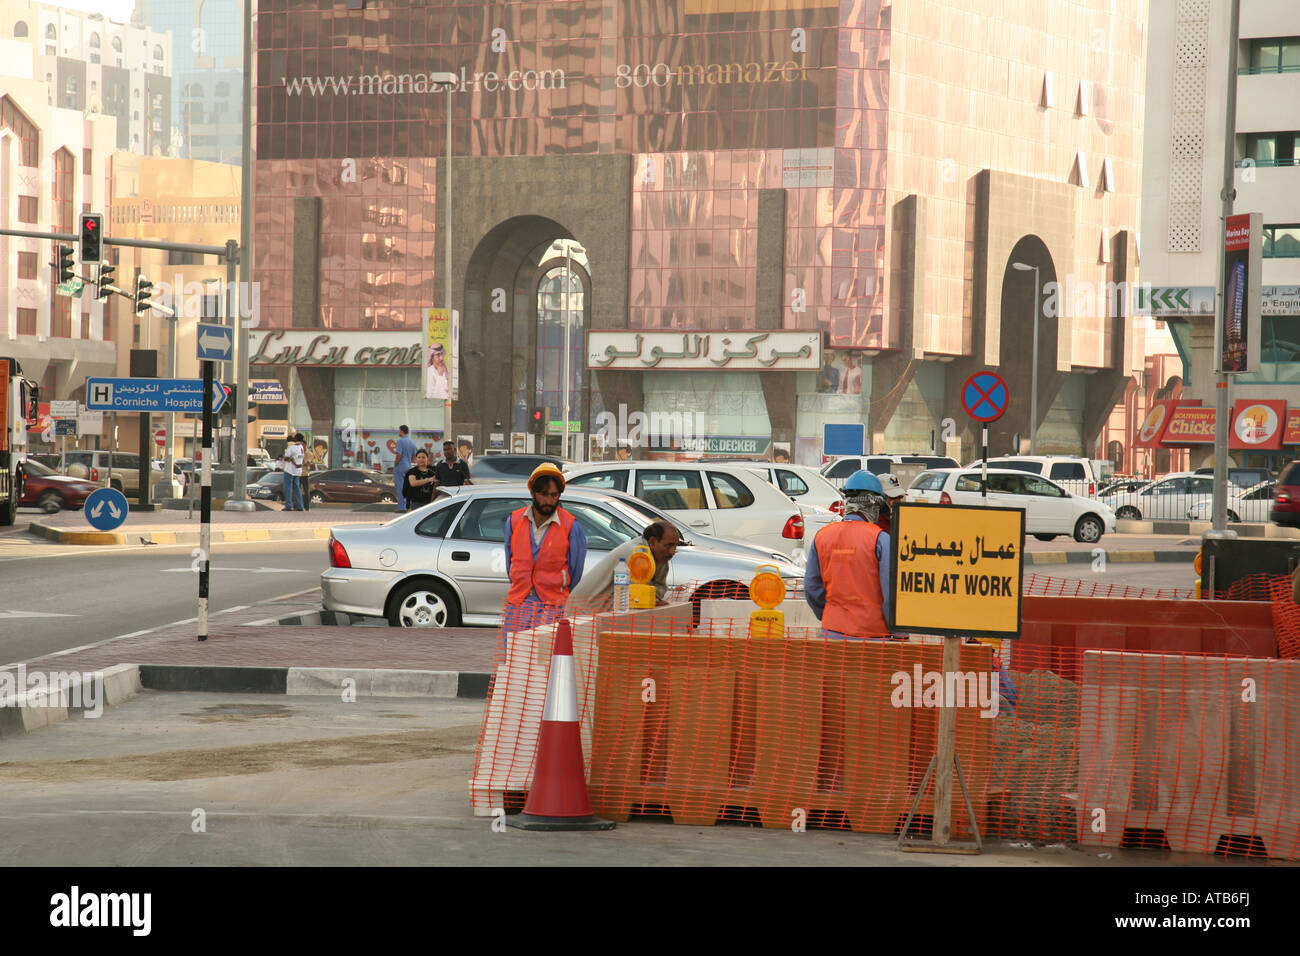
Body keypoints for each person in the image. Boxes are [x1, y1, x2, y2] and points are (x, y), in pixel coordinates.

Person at [501, 463, 588, 637]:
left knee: (548, 661)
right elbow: (510, 563)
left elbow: (575, 572)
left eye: (554, 495)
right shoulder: (514, 521)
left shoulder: (571, 526)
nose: (549, 501)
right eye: (544, 494)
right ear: (533, 493)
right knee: (515, 660)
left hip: (554, 608)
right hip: (518, 606)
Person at [804, 470, 891, 639]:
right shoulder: (880, 539)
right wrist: (894, 628)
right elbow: (889, 595)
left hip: (832, 633)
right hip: (874, 636)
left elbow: (811, 587)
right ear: (874, 505)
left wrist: (832, 615)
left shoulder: (822, 536)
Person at [567, 521, 680, 608]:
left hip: (604, 614)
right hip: (583, 613)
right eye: (668, 545)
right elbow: (638, 599)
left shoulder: (660, 556)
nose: (672, 552)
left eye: (675, 546)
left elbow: (657, 593)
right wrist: (652, 599)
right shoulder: (636, 555)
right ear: (653, 542)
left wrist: (652, 598)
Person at [393, 425, 416, 511]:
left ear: (402, 431)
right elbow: (414, 456)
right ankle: (407, 506)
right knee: (406, 487)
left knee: (400, 487)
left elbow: (399, 454)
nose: (398, 432)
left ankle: (401, 508)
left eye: (399, 431)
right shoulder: (411, 442)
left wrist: (395, 463)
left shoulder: (400, 441)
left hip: (400, 467)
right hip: (408, 466)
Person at [282, 434, 305, 511]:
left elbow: (285, 458)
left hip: (290, 470)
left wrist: (288, 458)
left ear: (295, 439)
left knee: (288, 488)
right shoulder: (301, 447)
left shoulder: (292, 448)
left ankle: (288, 506)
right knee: (297, 489)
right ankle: (300, 506)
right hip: (298, 471)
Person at [299, 434, 312, 511]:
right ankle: (297, 505)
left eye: (302, 445)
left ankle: (307, 506)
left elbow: (307, 463)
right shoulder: (299, 452)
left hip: (304, 474)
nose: (301, 446)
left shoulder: (308, 453)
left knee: (306, 490)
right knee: (297, 489)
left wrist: (301, 462)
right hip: (298, 473)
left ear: (305, 445)